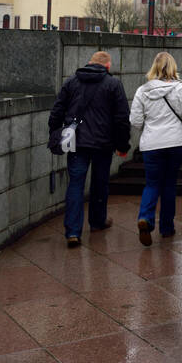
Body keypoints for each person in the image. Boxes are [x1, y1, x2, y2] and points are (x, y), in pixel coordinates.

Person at [48, 50, 131, 248]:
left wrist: (55, 133)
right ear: (108, 66)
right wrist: (122, 145)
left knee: (75, 184)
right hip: (103, 142)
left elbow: (57, 111)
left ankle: (73, 232)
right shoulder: (113, 84)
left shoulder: (71, 82)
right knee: (100, 183)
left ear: (89, 63)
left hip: (77, 142)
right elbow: (121, 118)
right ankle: (97, 222)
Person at [129, 52, 182, 246]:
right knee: (169, 184)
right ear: (173, 67)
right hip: (176, 144)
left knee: (152, 184)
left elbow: (135, 121)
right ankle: (167, 227)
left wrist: (149, 128)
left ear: (154, 67)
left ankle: (145, 217)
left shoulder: (143, 91)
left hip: (151, 144)